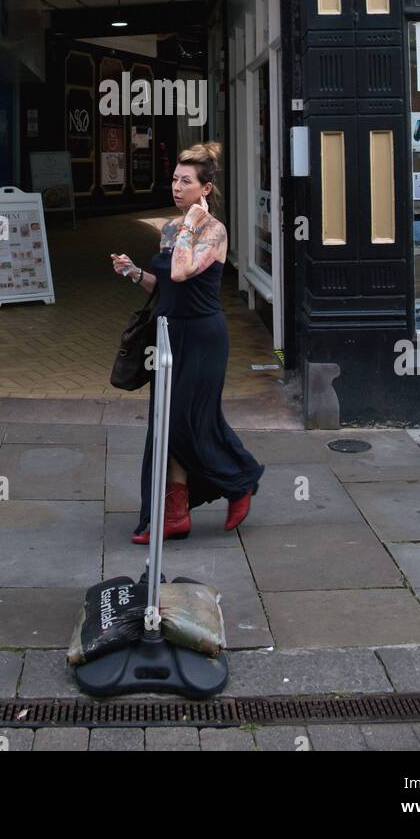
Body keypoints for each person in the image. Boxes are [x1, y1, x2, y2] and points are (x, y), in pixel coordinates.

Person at [110, 140, 264, 544]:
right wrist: (132, 273)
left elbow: (181, 273)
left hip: (202, 336)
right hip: (167, 332)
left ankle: (239, 480)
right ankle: (173, 514)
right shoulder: (170, 228)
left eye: (186, 181)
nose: (177, 188)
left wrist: (193, 223)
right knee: (166, 425)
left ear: (205, 189)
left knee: (188, 421)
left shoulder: (212, 231)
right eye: (174, 180)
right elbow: (164, 286)